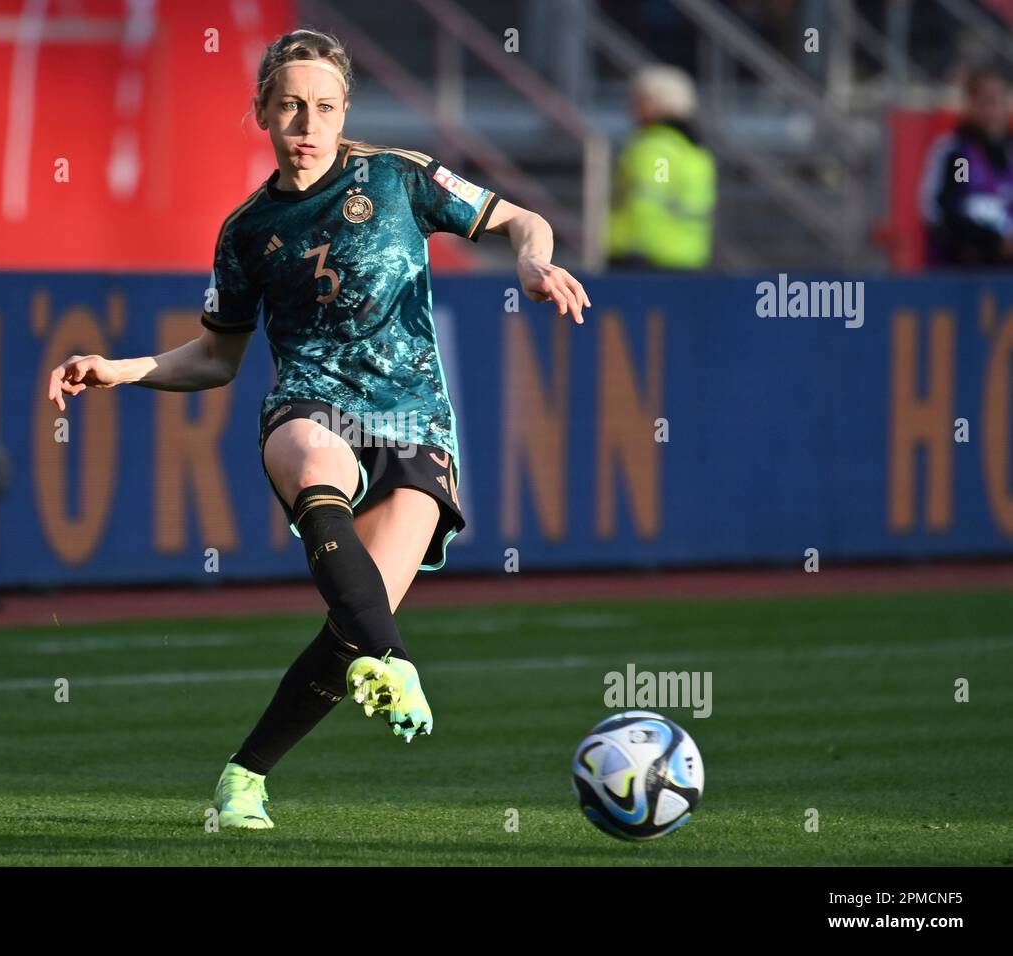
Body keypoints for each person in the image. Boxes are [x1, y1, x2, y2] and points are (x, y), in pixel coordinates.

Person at [47, 28, 589, 829]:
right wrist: (123, 369)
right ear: (263, 110)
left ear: (343, 115)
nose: (307, 124)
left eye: (324, 108)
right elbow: (217, 358)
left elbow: (522, 218)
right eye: (291, 106)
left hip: (413, 419)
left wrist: (532, 263)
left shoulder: (401, 179)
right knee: (308, 460)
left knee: (355, 620)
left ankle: (244, 777)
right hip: (309, 400)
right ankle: (397, 663)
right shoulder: (247, 232)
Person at [607, 65, 716, 271]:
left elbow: (651, 198)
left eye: (638, 100)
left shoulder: (658, 150)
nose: (631, 107)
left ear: (653, 103)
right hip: (689, 257)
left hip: (646, 259)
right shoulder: (692, 149)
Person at [919, 64, 1013, 267]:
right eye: (985, 100)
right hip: (965, 269)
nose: (992, 108)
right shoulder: (961, 156)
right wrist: (992, 243)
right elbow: (954, 206)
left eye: (999, 99)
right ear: (970, 104)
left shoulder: (1008, 153)